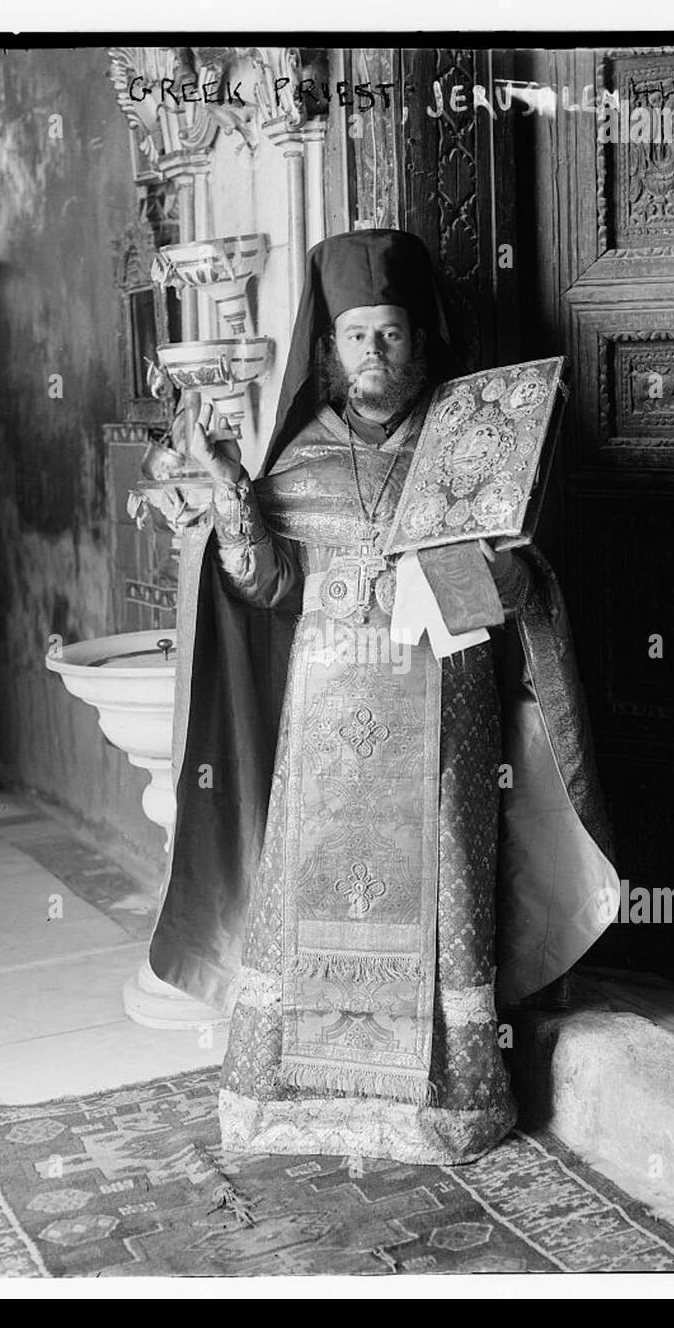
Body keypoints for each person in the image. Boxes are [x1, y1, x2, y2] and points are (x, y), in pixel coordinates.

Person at [147, 228, 618, 1163]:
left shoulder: (471, 442)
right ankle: (294, 1096)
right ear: (330, 346)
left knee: (445, 891)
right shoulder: (298, 457)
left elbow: (524, 590)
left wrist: (499, 572)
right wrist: (230, 489)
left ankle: (445, 1106)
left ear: (421, 339)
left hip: (445, 710)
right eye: (358, 335)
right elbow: (265, 587)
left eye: (392, 334)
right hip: (322, 725)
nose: (376, 353)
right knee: (310, 889)